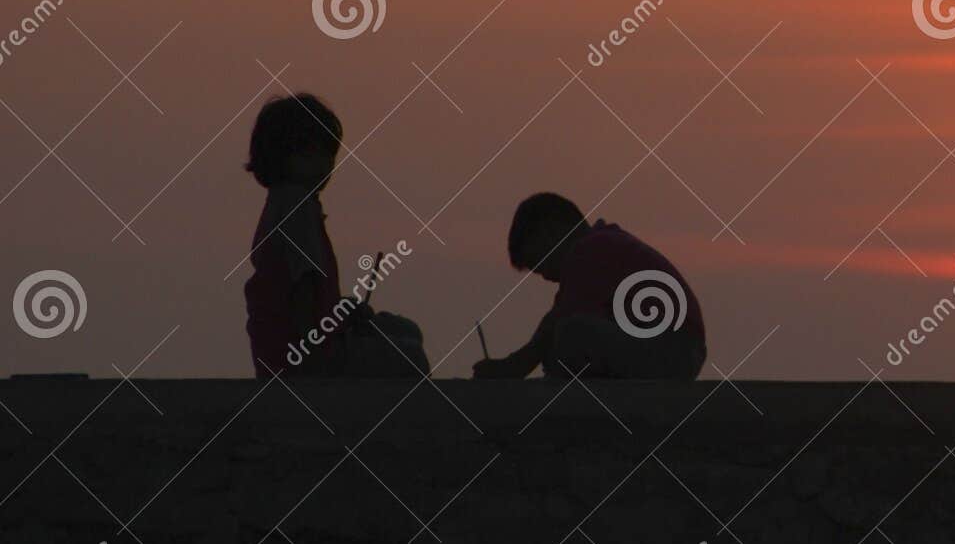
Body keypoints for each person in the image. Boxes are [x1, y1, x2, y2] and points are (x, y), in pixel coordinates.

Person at [242, 93, 426, 379]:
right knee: (412, 357)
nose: (327, 164)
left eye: (331, 154)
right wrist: (313, 354)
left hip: (284, 353)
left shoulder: (280, 205)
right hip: (306, 358)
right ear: (285, 154)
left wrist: (340, 314)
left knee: (403, 331)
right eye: (315, 153)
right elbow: (302, 291)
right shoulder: (297, 211)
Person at [472, 193, 706, 380]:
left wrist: (512, 368)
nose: (544, 276)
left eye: (539, 264)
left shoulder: (590, 250)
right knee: (561, 345)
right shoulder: (601, 248)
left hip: (674, 352)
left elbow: (557, 323)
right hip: (676, 351)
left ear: (550, 232)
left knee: (572, 334)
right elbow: (554, 322)